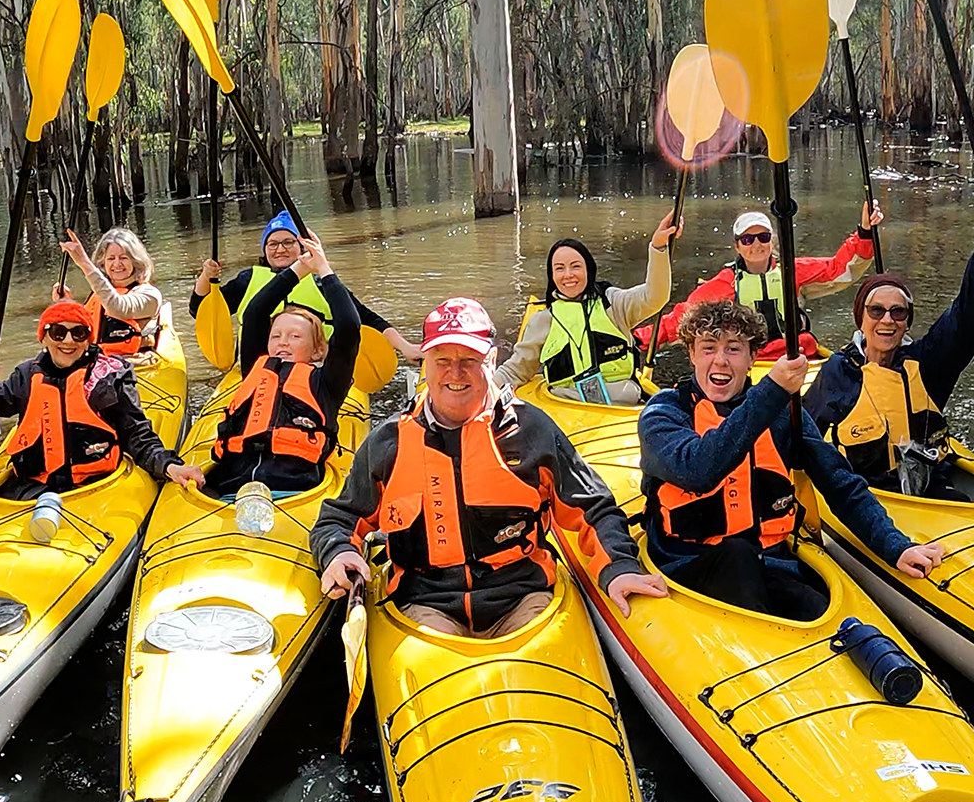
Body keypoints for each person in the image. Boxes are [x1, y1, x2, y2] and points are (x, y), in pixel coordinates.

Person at [313, 298, 667, 638]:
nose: (455, 372)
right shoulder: (388, 442)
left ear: (492, 360)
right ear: (425, 363)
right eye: (442, 359)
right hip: (425, 602)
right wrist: (339, 550)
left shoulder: (531, 430)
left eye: (469, 359)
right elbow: (338, 519)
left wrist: (619, 567)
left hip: (522, 597)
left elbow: (594, 508)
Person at [639, 299, 945, 618]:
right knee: (737, 556)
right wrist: (773, 389)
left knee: (841, 623)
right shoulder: (665, 414)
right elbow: (698, 470)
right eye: (708, 348)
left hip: (768, 564)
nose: (720, 361)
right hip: (687, 567)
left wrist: (897, 546)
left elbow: (842, 485)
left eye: (733, 349)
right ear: (691, 354)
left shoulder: (784, 414)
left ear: (752, 357)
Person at [802, 211, 974, 496]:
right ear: (860, 320)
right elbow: (802, 434)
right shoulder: (838, 371)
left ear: (907, 322)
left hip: (929, 488)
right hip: (865, 498)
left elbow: (969, 313)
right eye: (876, 310)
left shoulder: (927, 363)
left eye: (898, 312)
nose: (887, 320)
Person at [0, 298, 204, 501]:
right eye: (57, 332)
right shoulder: (26, 376)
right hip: (32, 490)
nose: (68, 341)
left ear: (88, 339)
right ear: (43, 338)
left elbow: (137, 435)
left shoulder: (110, 376)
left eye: (78, 333)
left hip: (96, 486)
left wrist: (170, 466)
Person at [207, 234, 359, 498]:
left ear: (317, 350)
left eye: (295, 337)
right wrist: (298, 269)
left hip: (294, 490)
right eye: (276, 336)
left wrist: (323, 268)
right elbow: (256, 312)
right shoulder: (257, 367)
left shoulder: (326, 383)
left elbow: (348, 326)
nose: (282, 343)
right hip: (233, 487)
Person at [639, 201, 884, 357]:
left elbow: (839, 269)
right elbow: (681, 318)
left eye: (763, 237)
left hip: (796, 354)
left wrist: (864, 231)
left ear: (771, 240)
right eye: (747, 239)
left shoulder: (791, 273)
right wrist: (638, 339)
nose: (756, 244)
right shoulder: (725, 283)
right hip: (751, 360)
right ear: (737, 246)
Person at [496, 211, 679, 405]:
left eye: (575, 266)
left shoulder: (613, 303)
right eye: (559, 268)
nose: (568, 275)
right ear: (552, 276)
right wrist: (485, 388)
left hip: (622, 400)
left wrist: (658, 246)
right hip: (566, 403)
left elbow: (655, 297)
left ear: (588, 270)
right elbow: (516, 370)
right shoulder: (542, 321)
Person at [190, 211, 422, 360]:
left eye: (288, 242)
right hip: (258, 363)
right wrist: (205, 277)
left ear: (302, 247)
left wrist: (405, 347)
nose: (280, 249)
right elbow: (200, 311)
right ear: (264, 250)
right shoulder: (248, 279)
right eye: (272, 244)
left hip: (317, 365)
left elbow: (366, 320)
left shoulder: (323, 282)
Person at [56, 227, 166, 357]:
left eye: (124, 258)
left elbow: (118, 307)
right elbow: (78, 330)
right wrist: (65, 303)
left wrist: (84, 263)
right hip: (98, 360)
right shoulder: (100, 295)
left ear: (136, 261)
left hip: (134, 363)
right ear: (103, 264)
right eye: (111, 258)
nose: (117, 264)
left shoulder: (150, 295)